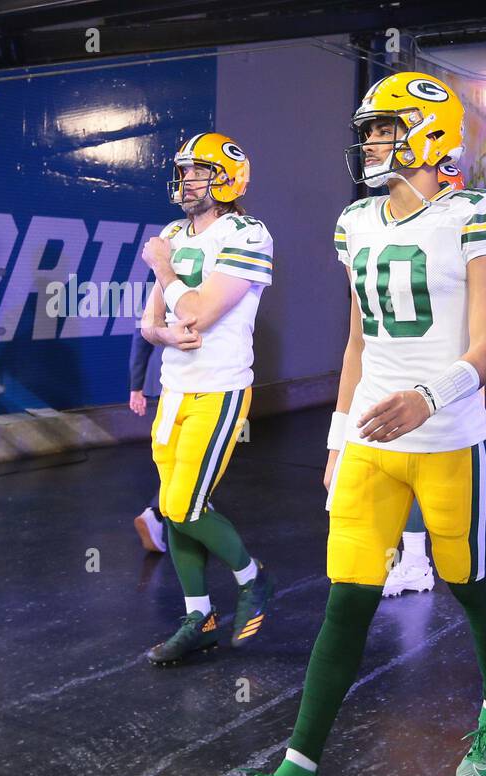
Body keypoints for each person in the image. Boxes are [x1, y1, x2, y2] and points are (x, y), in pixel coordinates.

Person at [201, 72, 486, 776]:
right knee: (347, 599)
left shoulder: (476, 215)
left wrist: (428, 398)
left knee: (470, 584)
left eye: (387, 129)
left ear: (431, 135)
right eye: (371, 131)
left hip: (450, 441)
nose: (373, 143)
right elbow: (357, 342)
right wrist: (336, 436)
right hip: (373, 444)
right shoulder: (356, 222)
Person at [138, 132, 276, 663]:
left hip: (218, 388)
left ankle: (252, 576)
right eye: (185, 171)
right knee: (176, 509)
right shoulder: (174, 232)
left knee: (182, 504)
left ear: (229, 179)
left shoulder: (248, 232)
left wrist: (164, 268)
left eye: (200, 171)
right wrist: (165, 335)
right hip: (174, 388)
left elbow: (198, 311)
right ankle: (200, 616)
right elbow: (150, 323)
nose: (188, 180)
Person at [383, 164, 486, 597]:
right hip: (411, 365)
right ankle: (415, 562)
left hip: (465, 367)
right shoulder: (389, 231)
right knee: (409, 461)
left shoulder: (475, 235)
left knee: (476, 463)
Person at [129, 332, 168, 552]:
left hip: (168, 379)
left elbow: (141, 336)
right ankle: (156, 512)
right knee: (194, 455)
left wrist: (136, 386)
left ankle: (194, 500)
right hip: (197, 382)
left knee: (175, 451)